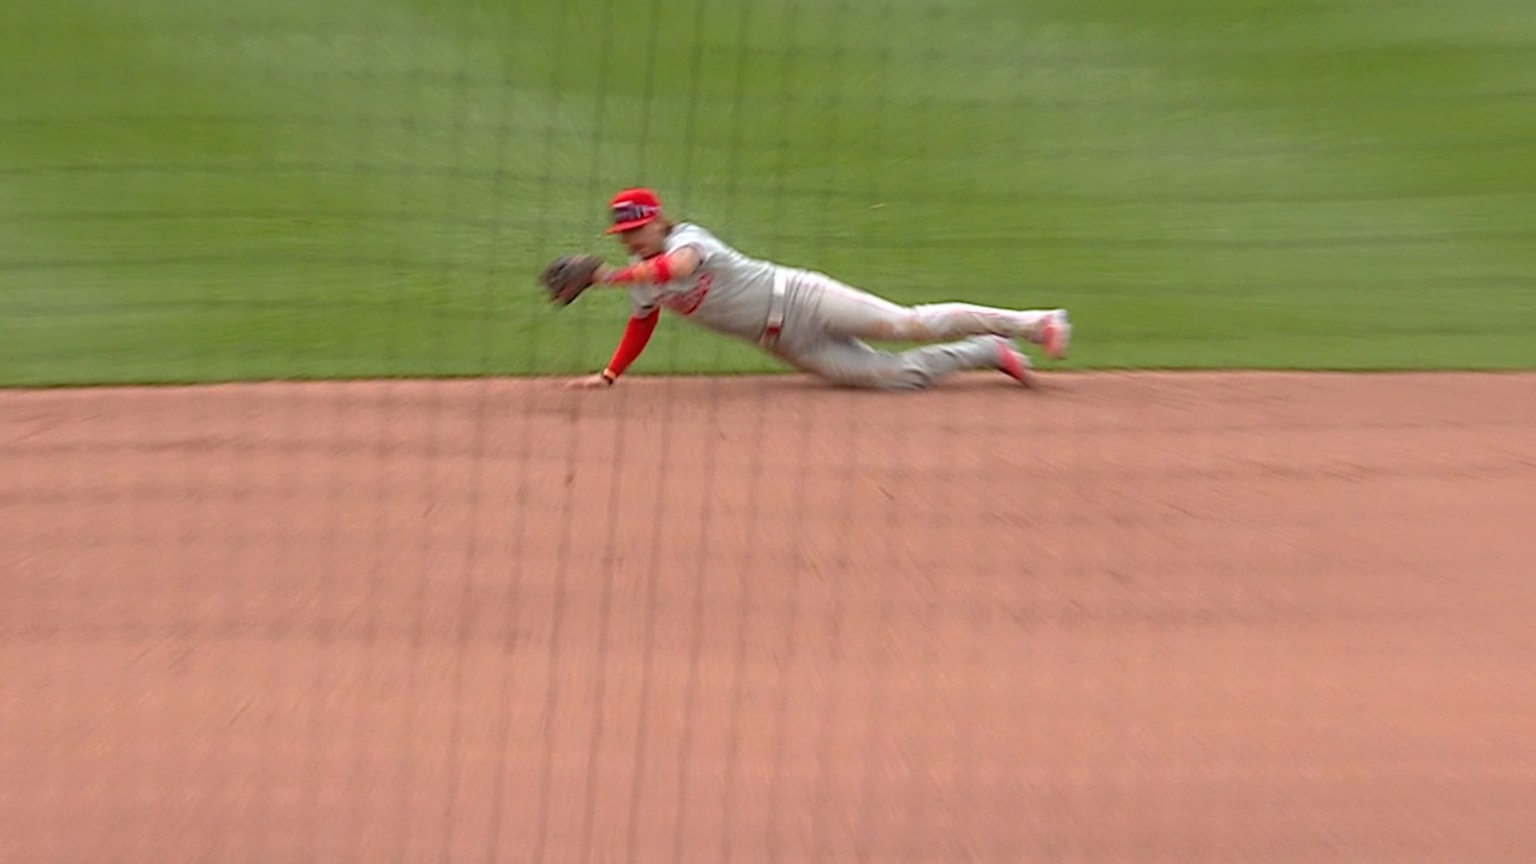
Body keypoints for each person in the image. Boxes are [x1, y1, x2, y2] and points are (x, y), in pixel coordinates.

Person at [563, 187, 1070, 391]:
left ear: (656, 222)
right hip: (788, 343)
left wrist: (607, 276)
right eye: (622, 236)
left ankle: (1034, 322)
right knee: (894, 379)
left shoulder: (688, 238)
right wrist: (609, 375)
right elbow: (641, 322)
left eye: (635, 231)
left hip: (802, 297)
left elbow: (678, 268)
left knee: (906, 324)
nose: (629, 241)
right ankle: (987, 351)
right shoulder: (639, 275)